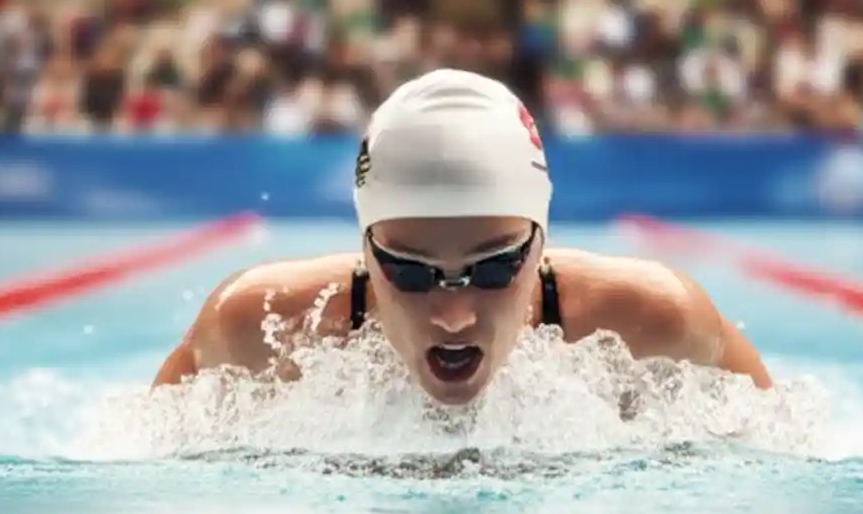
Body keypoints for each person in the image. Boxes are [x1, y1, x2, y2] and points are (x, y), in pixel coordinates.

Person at [153, 69, 771, 404]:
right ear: (365, 250)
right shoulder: (254, 332)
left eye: (495, 267)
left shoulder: (657, 326)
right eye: (410, 271)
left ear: (541, 243)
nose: (453, 315)